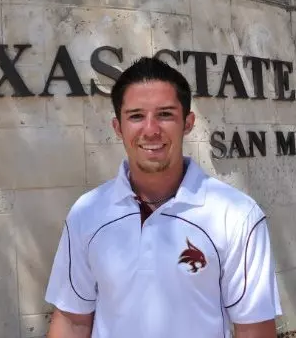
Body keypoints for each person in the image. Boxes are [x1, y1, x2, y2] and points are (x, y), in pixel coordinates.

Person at [45, 57, 282, 338]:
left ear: (188, 122)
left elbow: (253, 328)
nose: (151, 130)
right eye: (135, 116)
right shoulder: (87, 212)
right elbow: (73, 320)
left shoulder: (237, 215)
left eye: (165, 114)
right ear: (118, 127)